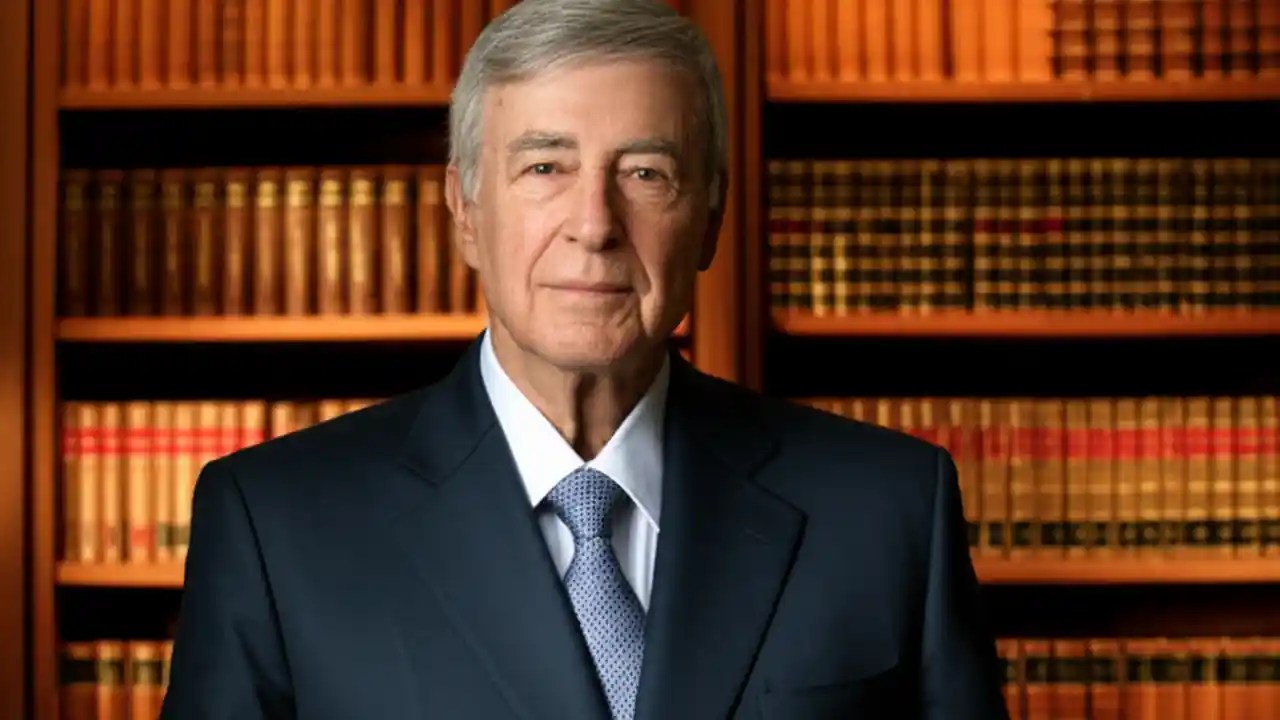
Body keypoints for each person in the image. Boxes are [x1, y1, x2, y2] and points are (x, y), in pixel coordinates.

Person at [160, 0, 1008, 717]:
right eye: (543, 166)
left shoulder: (889, 510)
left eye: (645, 173)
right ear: (464, 209)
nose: (595, 224)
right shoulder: (275, 525)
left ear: (710, 217)